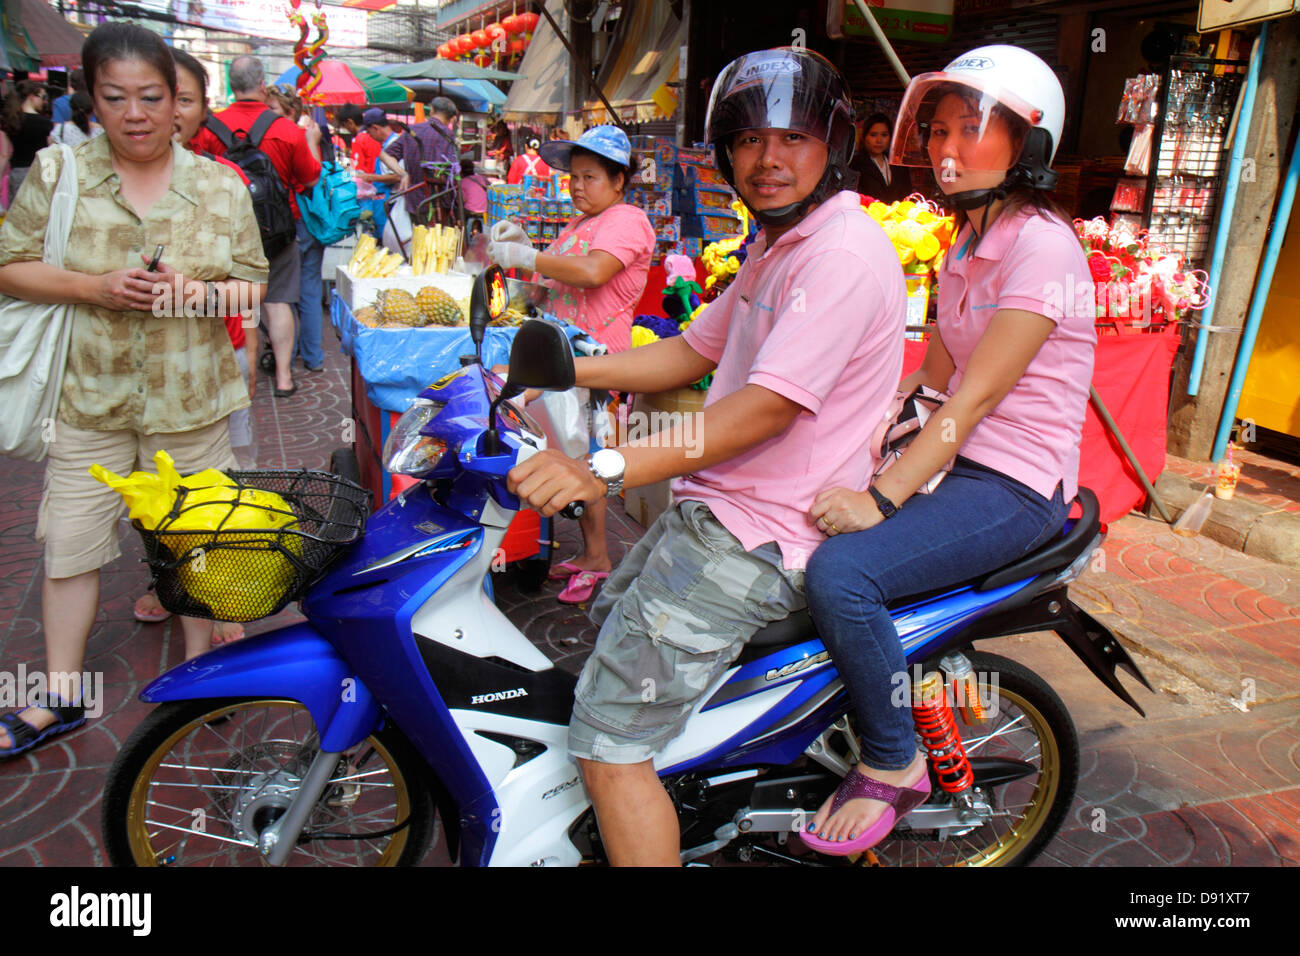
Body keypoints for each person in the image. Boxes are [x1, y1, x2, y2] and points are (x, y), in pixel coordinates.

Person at [503, 48, 906, 865]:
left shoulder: (840, 256)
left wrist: (607, 467)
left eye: (792, 138)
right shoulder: (777, 248)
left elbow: (760, 411)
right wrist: (562, 366)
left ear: (831, 143)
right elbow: (687, 352)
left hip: (756, 538)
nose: (769, 160)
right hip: (714, 511)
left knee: (607, 747)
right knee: (608, 631)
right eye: (749, 141)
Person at [799, 45, 1096, 855]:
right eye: (936, 130)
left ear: (1029, 145)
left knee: (842, 572)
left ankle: (894, 761)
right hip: (960, 461)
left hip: (1012, 484)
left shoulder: (1043, 249)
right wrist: (848, 442)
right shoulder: (964, 243)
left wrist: (883, 496)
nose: (945, 147)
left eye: (971, 128)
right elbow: (930, 375)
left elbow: (977, 397)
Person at [0, 22, 268, 758]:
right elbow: (10, 263)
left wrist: (189, 293)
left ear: (178, 100)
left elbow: (250, 291)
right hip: (88, 401)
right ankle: (59, 696)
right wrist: (94, 287)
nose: (137, 113)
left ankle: (200, 669)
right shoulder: (58, 175)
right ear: (92, 96)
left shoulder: (217, 184)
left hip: (193, 400)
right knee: (71, 545)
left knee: (198, 543)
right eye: (116, 97)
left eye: (152, 96)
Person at [489, 125, 655, 605]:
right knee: (566, 453)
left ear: (619, 179)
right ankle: (585, 552)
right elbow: (551, 291)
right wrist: (522, 259)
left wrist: (528, 255)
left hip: (597, 362)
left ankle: (599, 556)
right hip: (561, 361)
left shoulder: (627, 220)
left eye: (590, 177)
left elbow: (592, 272)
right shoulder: (578, 226)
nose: (578, 187)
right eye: (573, 178)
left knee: (592, 459)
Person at [199, 56, 321, 397]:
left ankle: (241, 374)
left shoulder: (208, 128)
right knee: (279, 300)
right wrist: (310, 143)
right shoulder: (285, 129)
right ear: (262, 84)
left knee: (235, 299)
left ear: (231, 85)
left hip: (224, 228)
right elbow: (310, 177)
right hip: (278, 228)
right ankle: (283, 377)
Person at [381, 96, 459, 223]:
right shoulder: (447, 135)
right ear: (451, 117)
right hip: (438, 203)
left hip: (415, 201)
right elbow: (452, 173)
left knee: (419, 238)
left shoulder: (413, 130)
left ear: (431, 110)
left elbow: (385, 155)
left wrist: (403, 173)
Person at [2, 81, 54, 198]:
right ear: (31, 96)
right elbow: (51, 153)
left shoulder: (10, 122)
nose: (45, 101)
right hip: (41, 172)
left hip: (18, 173)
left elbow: (4, 155)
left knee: (18, 212)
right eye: (43, 97)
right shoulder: (45, 123)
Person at [853, 112, 910, 203]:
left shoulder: (898, 165)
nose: (879, 140)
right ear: (864, 137)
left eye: (884, 135)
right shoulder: (855, 165)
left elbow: (907, 196)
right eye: (873, 135)